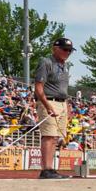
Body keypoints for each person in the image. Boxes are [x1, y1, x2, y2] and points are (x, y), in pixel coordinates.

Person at [32, 36, 76, 179]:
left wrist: (67, 107)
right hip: (49, 101)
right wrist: (47, 105)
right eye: (65, 49)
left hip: (62, 103)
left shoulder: (64, 66)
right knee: (49, 135)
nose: (67, 53)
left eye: (70, 51)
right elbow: (38, 88)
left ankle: (51, 169)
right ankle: (46, 169)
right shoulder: (46, 62)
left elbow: (63, 89)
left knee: (56, 137)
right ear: (55, 48)